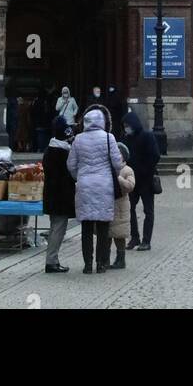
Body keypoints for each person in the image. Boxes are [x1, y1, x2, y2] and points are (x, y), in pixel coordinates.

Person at [66, 106, 124, 274]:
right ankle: (101, 263)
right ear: (102, 122)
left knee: (86, 227)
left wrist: (79, 176)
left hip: (85, 185)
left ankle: (87, 264)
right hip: (104, 185)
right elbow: (117, 163)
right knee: (103, 226)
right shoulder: (108, 138)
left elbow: (70, 164)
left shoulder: (78, 139)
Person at [42, 115, 75, 274]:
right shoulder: (63, 152)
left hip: (52, 195)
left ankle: (52, 260)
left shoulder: (50, 149)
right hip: (60, 197)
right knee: (58, 229)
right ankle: (52, 261)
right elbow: (70, 174)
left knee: (55, 227)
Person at [123, 110, 161, 250]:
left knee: (148, 211)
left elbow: (155, 156)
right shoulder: (126, 138)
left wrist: (145, 170)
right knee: (129, 209)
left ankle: (146, 240)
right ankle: (135, 237)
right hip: (132, 180)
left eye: (127, 125)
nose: (126, 128)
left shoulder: (147, 136)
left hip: (146, 180)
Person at [101, 142, 135, 270]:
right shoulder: (108, 168)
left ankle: (121, 259)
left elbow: (130, 186)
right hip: (108, 205)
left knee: (119, 235)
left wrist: (118, 178)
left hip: (121, 207)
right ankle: (105, 259)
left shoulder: (127, 170)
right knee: (107, 235)